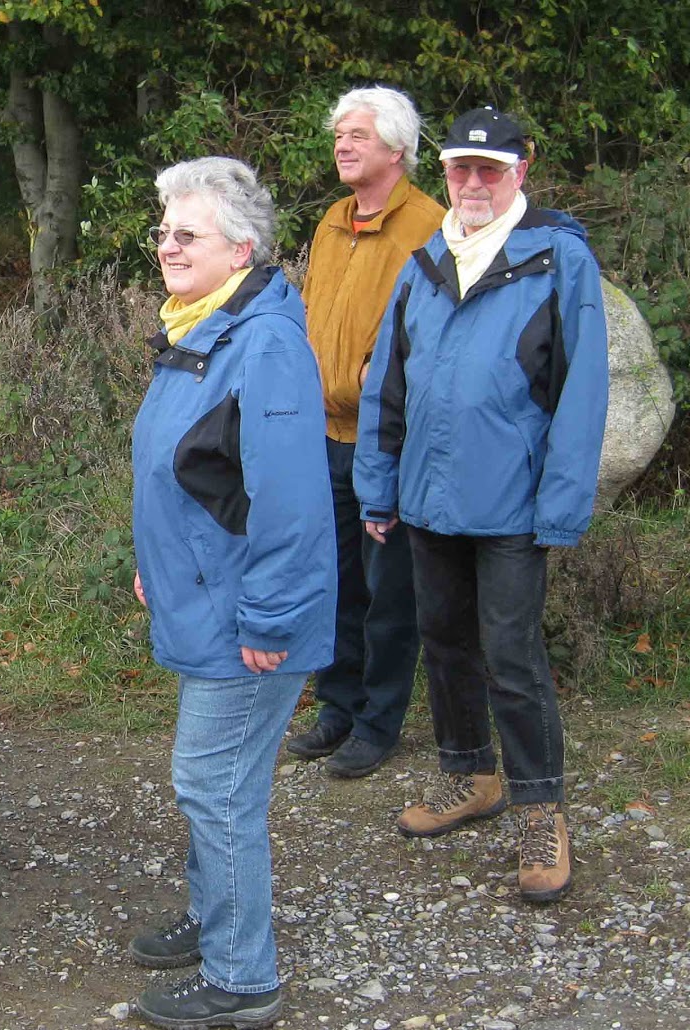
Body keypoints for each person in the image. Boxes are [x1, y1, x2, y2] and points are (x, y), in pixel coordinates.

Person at [354, 107, 607, 902]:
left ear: (520, 173)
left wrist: (561, 504)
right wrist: (378, 482)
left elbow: (583, 392)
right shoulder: (426, 260)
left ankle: (541, 808)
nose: (472, 183)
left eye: (489, 170)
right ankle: (471, 777)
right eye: (461, 168)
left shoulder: (557, 259)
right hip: (428, 498)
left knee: (512, 656)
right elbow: (386, 383)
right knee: (445, 640)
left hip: (512, 506)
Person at [126, 157, 335, 1029]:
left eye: (187, 234)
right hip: (205, 594)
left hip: (248, 613)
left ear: (241, 246)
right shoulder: (203, 325)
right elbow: (199, 470)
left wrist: (275, 619)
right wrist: (158, 560)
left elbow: (290, 499)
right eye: (163, 232)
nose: (168, 246)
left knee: (213, 785)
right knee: (215, 780)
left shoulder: (266, 342)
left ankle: (244, 977)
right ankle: (217, 913)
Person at [288, 86, 445, 779]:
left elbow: (430, 342)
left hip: (389, 441)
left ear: (397, 148)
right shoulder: (330, 222)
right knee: (335, 581)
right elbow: (309, 312)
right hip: (322, 433)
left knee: (389, 591)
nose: (343, 146)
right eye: (338, 134)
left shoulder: (430, 226)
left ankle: (379, 721)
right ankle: (338, 706)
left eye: (357, 134)